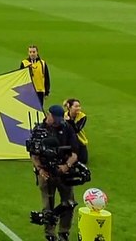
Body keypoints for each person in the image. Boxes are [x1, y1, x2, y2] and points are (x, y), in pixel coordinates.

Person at [29, 104, 82, 241]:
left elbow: (75, 152)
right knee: (48, 205)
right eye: (56, 118)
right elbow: (33, 155)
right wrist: (40, 169)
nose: (58, 121)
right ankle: (50, 234)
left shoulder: (67, 128)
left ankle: (64, 232)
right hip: (45, 172)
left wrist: (66, 165)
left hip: (64, 172)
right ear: (49, 114)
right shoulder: (38, 130)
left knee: (69, 202)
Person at [64, 98, 89, 165]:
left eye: (79, 106)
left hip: (79, 140)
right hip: (67, 139)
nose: (78, 108)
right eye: (76, 106)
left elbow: (76, 130)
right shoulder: (64, 116)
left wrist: (69, 121)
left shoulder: (82, 117)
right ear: (69, 107)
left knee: (83, 160)